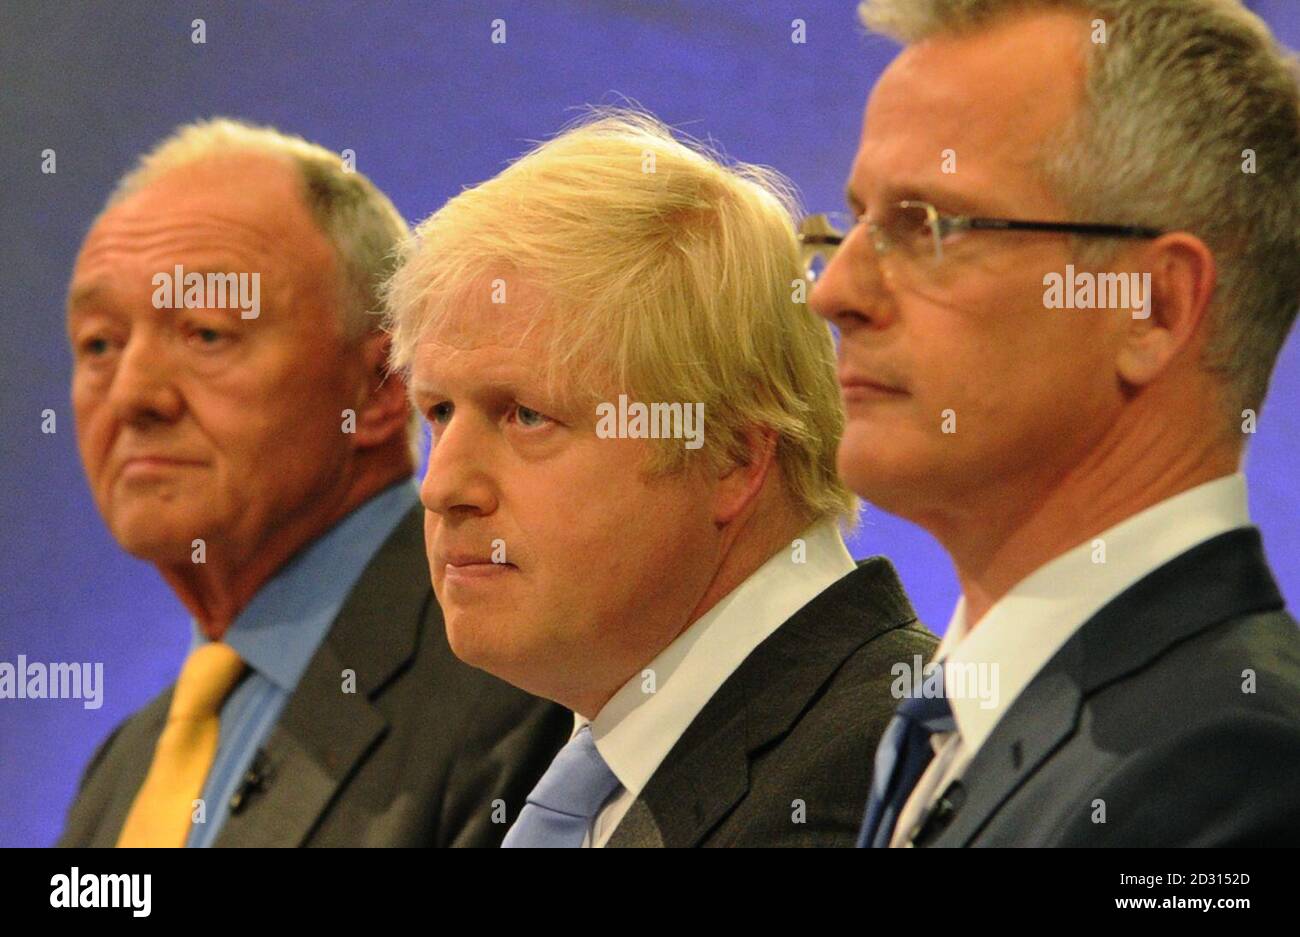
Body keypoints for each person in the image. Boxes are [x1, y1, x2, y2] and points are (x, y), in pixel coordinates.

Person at [806, 0, 1300, 846]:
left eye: (928, 224)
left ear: (1149, 307)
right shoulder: (953, 721)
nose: (833, 293)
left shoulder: (1233, 771)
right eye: (854, 223)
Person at [383, 109, 937, 847]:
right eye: (440, 411)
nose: (441, 484)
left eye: (524, 414)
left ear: (732, 456)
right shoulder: (553, 764)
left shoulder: (885, 779)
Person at [60, 119, 569, 848]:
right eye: (100, 343)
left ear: (380, 385)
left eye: (206, 332)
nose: (133, 393)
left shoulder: (523, 675)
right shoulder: (119, 773)